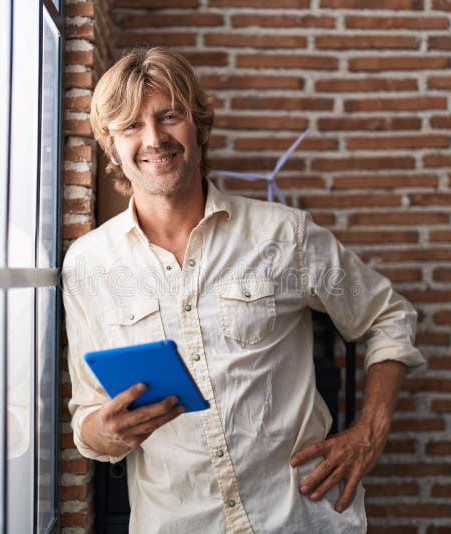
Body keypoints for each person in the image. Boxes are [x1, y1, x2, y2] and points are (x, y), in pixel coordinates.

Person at [62, 47, 425, 533]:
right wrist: (105, 432)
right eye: (130, 126)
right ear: (111, 146)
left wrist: (369, 432)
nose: (154, 138)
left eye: (170, 116)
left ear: (200, 127)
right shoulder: (88, 265)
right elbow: (87, 421)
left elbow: (388, 315)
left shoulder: (284, 236)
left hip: (300, 519)